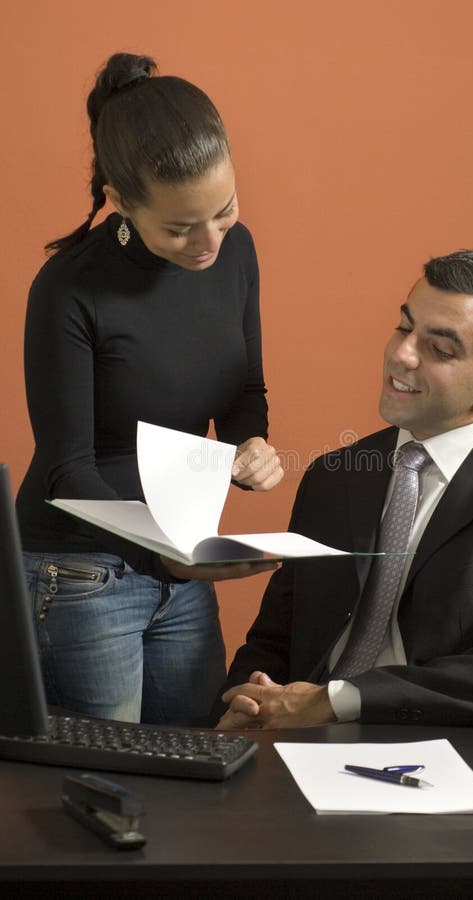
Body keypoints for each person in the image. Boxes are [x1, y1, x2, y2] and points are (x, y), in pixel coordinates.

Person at [218, 249, 473, 730]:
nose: (401, 353)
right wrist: (240, 709)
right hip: (307, 746)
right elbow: (275, 640)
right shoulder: (334, 476)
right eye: (404, 327)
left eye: (440, 349)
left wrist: (339, 701)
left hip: (459, 758)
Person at [17, 53, 283, 726]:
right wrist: (171, 554)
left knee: (194, 768)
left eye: (223, 212)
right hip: (79, 573)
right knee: (109, 788)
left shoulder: (237, 252)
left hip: (178, 558)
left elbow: (243, 385)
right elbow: (66, 470)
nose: (208, 241)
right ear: (121, 200)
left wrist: (253, 441)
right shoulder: (69, 288)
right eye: (180, 227)